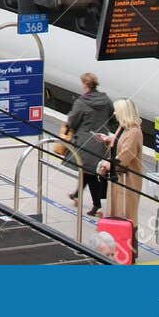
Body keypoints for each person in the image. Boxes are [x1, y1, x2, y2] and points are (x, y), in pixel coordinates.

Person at [65, 72, 115, 217]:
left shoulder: (81, 102)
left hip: (85, 143)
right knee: (89, 171)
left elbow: (73, 121)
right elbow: (112, 118)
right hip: (101, 142)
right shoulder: (106, 100)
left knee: (91, 173)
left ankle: (97, 206)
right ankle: (76, 195)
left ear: (86, 85)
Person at [98, 97, 144, 226]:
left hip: (128, 181)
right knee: (117, 213)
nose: (114, 113)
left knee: (126, 215)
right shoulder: (123, 127)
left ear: (124, 112)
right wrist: (109, 139)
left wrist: (106, 164)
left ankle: (128, 243)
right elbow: (120, 144)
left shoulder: (134, 132)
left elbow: (125, 156)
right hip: (117, 178)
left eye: (117, 110)